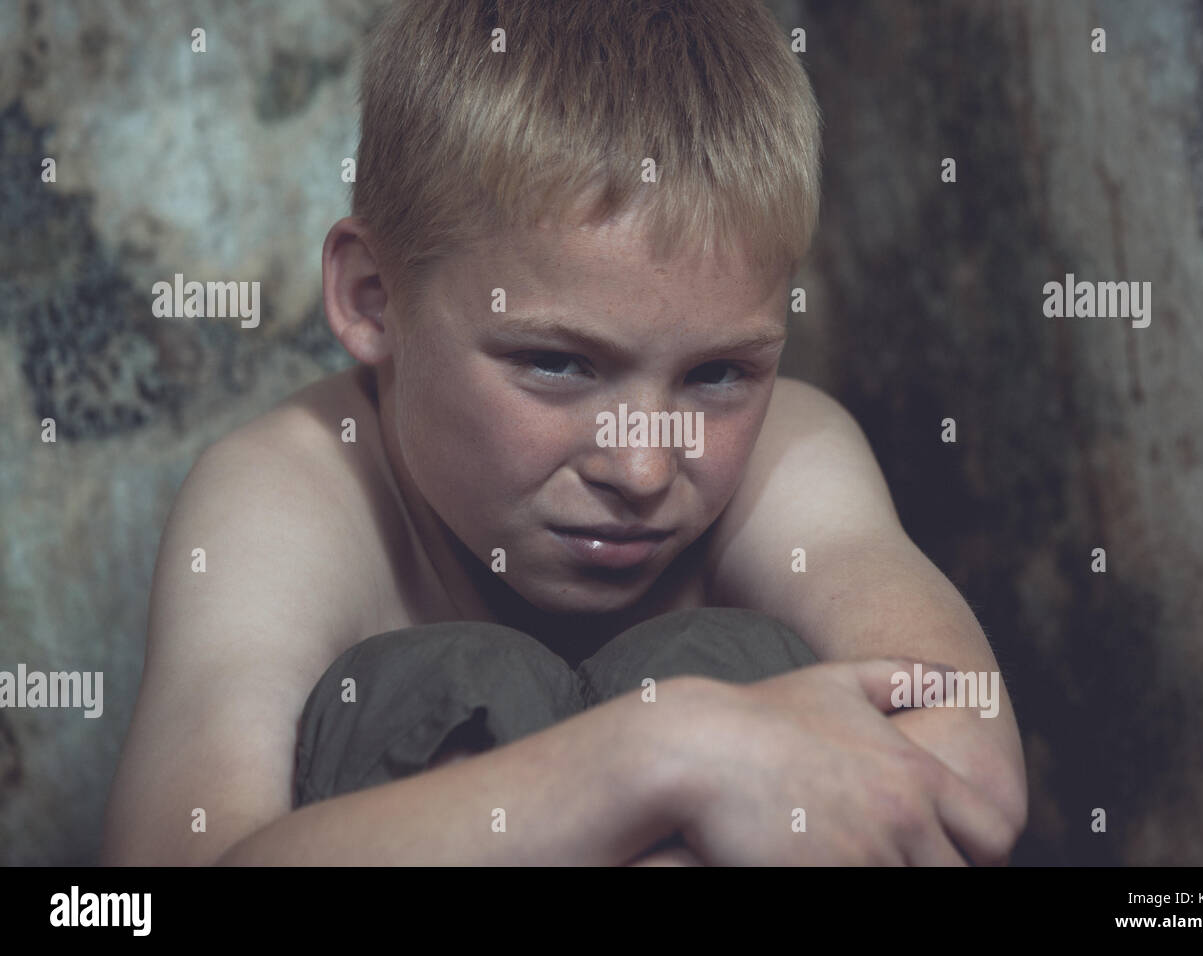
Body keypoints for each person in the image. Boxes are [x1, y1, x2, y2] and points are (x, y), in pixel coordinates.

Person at [101, 0, 1027, 866]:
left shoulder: (794, 453)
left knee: (718, 662)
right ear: (372, 298)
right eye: (556, 364)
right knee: (437, 685)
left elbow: (971, 768)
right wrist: (665, 755)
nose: (642, 465)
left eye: (718, 374)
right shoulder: (289, 492)